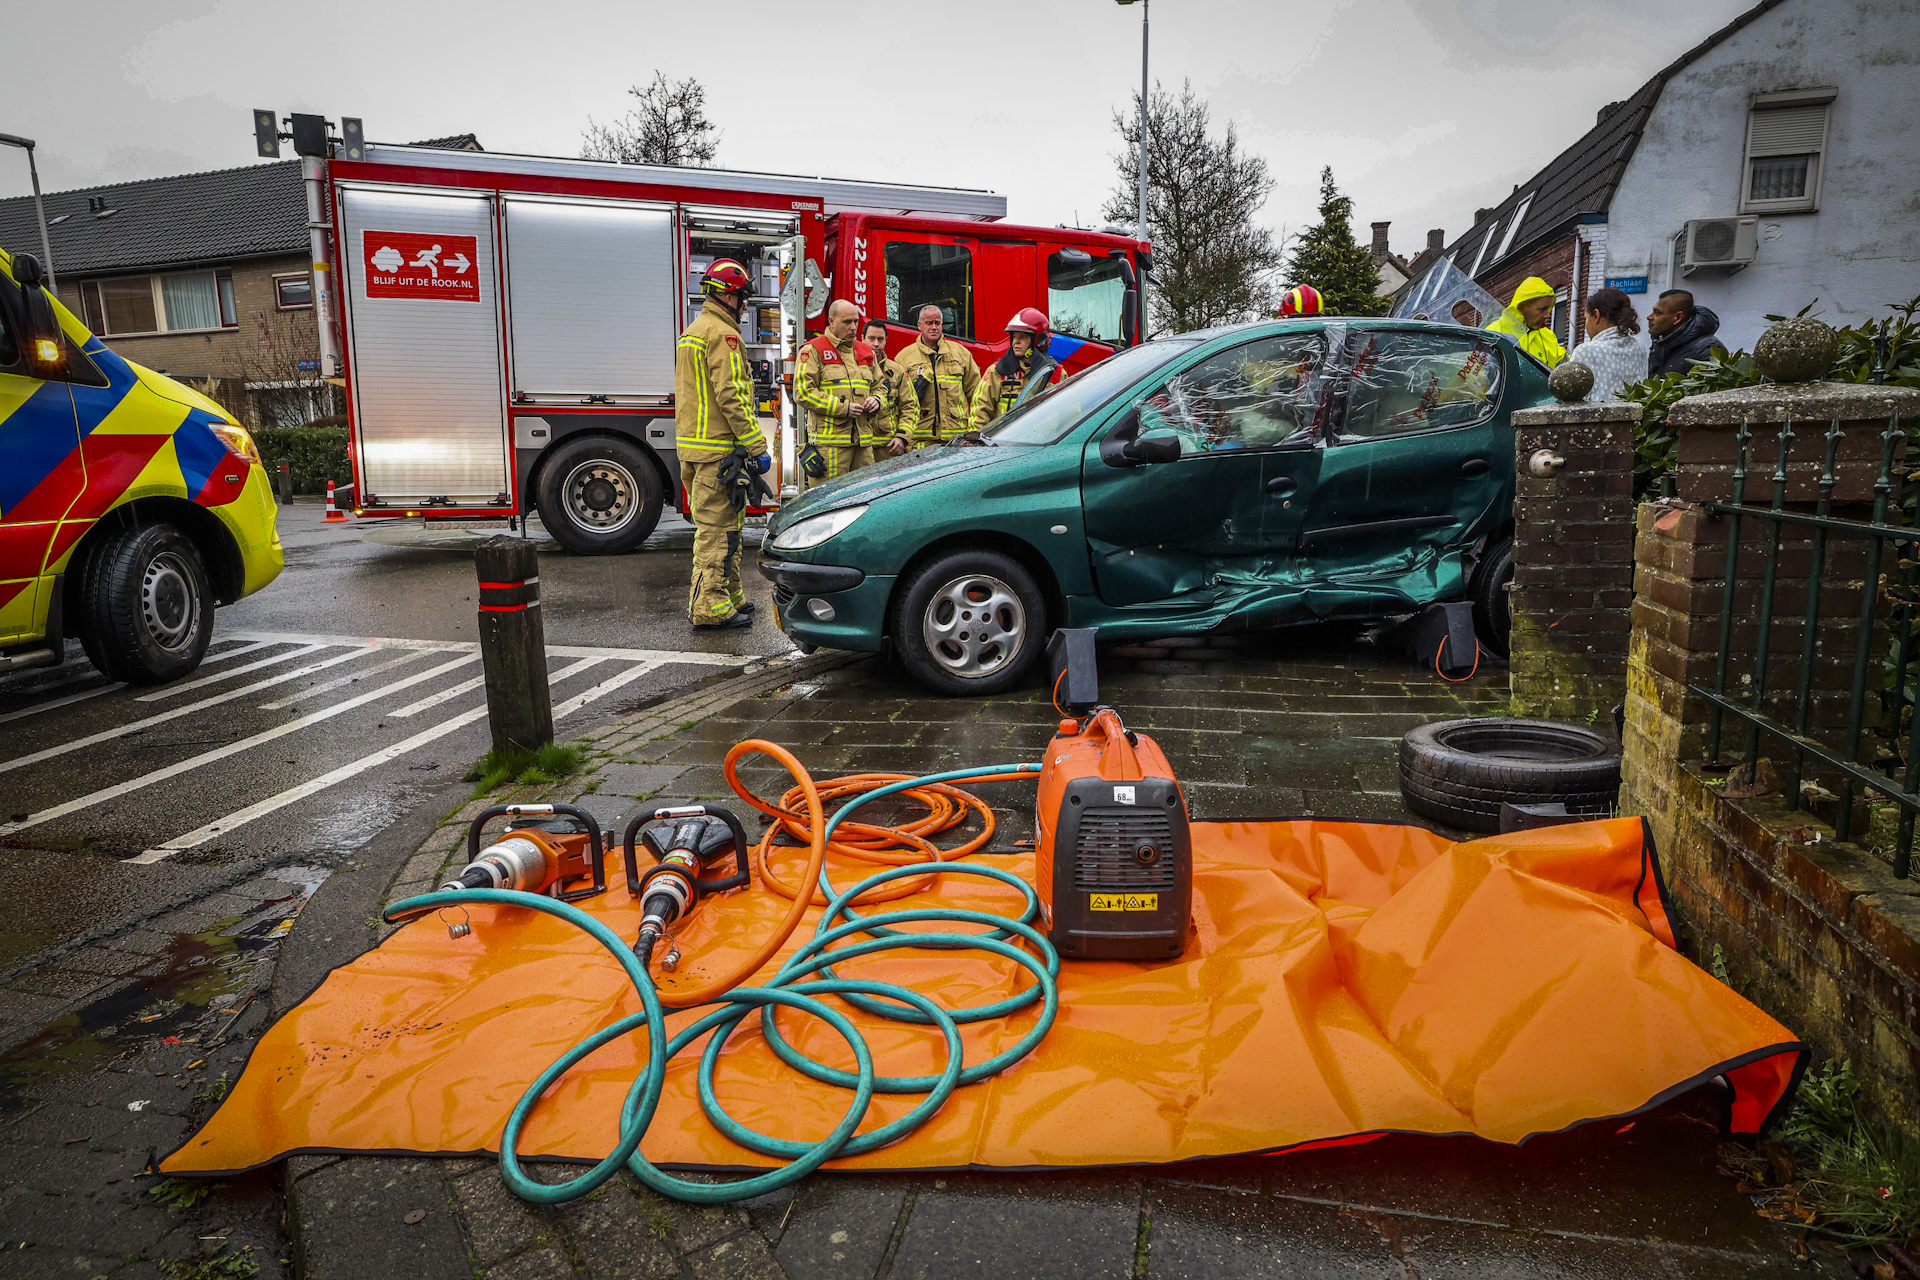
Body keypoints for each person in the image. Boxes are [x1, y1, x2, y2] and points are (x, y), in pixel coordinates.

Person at [674, 259, 769, 630]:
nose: (745, 306)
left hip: (697, 449)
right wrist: (757, 447)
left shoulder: (694, 330)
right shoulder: (723, 335)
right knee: (716, 530)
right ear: (729, 295)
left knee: (728, 524)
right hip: (717, 450)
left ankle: (730, 596)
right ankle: (709, 606)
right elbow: (733, 396)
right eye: (743, 297)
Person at [796, 299, 886, 479]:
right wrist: (843, 408)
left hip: (863, 445)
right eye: (847, 322)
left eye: (856, 321)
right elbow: (803, 393)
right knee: (829, 504)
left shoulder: (866, 352)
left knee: (865, 498)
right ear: (831, 322)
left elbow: (880, 387)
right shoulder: (813, 350)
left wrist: (876, 401)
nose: (853, 327)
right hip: (830, 448)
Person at [894, 304, 981, 447]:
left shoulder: (961, 354)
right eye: (929, 323)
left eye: (938, 323)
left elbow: (978, 396)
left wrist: (975, 431)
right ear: (919, 325)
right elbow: (899, 405)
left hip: (957, 439)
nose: (934, 327)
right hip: (920, 441)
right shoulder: (904, 358)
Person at [970, 308, 1060, 431]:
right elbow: (979, 412)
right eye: (1014, 336)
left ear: (1038, 340)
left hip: (1041, 446)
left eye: (1022, 337)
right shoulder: (997, 372)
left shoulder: (1056, 374)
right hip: (1002, 445)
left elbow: (1071, 414)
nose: (1016, 342)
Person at [1563, 286, 1647, 401]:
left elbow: (1570, 397)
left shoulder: (1586, 351)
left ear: (1596, 315)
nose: (1586, 325)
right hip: (1633, 417)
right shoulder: (1640, 348)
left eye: (1586, 318)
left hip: (1596, 418)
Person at [863, 317, 920, 457]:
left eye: (880, 339)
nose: (876, 344)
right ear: (862, 338)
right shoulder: (852, 369)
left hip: (887, 448)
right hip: (859, 449)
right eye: (871, 338)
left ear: (886, 340)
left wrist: (902, 437)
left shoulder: (897, 371)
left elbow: (910, 406)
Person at [1484, 276, 1566, 368]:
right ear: (1521, 307)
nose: (1547, 315)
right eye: (1542, 309)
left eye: (1548, 308)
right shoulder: (1493, 334)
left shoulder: (1548, 336)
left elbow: (1566, 366)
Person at [1646, 289, 1723, 378]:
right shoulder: (1661, 343)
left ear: (1678, 317)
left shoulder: (1707, 350)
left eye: (1658, 313)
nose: (1649, 317)